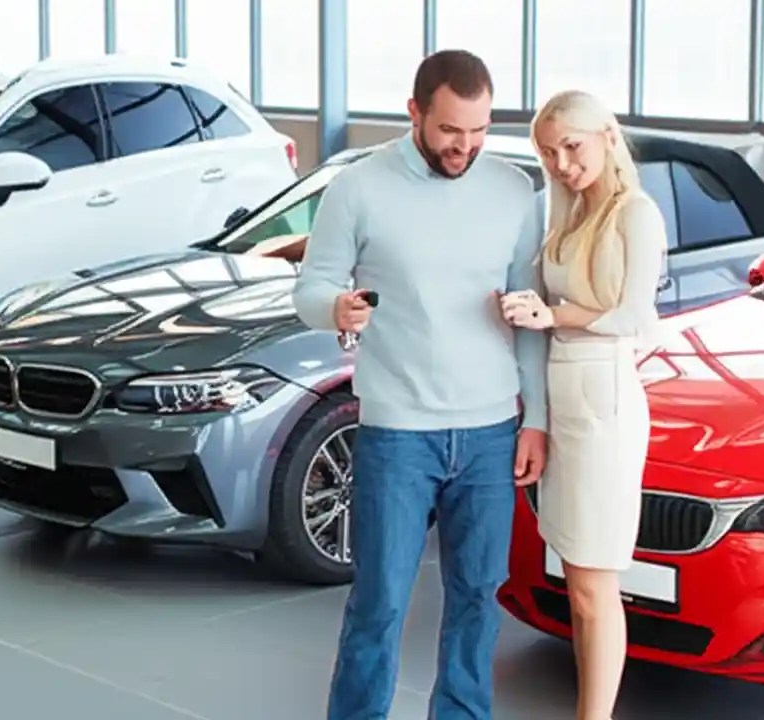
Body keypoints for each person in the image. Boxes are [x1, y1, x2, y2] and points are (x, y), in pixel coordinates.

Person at [292, 49, 549, 720]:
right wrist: (334, 308)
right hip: (397, 433)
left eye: (479, 130)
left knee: (477, 598)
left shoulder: (514, 192)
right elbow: (312, 286)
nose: (465, 146)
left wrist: (537, 419)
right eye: (450, 131)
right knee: (379, 602)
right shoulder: (359, 187)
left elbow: (530, 317)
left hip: (491, 434)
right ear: (414, 113)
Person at [498, 89, 668, 720]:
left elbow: (634, 315)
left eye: (571, 146)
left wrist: (553, 315)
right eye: (549, 153)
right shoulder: (565, 215)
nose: (562, 164)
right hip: (567, 397)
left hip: (605, 404)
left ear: (607, 136)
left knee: (595, 586)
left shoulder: (636, 214)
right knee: (577, 583)